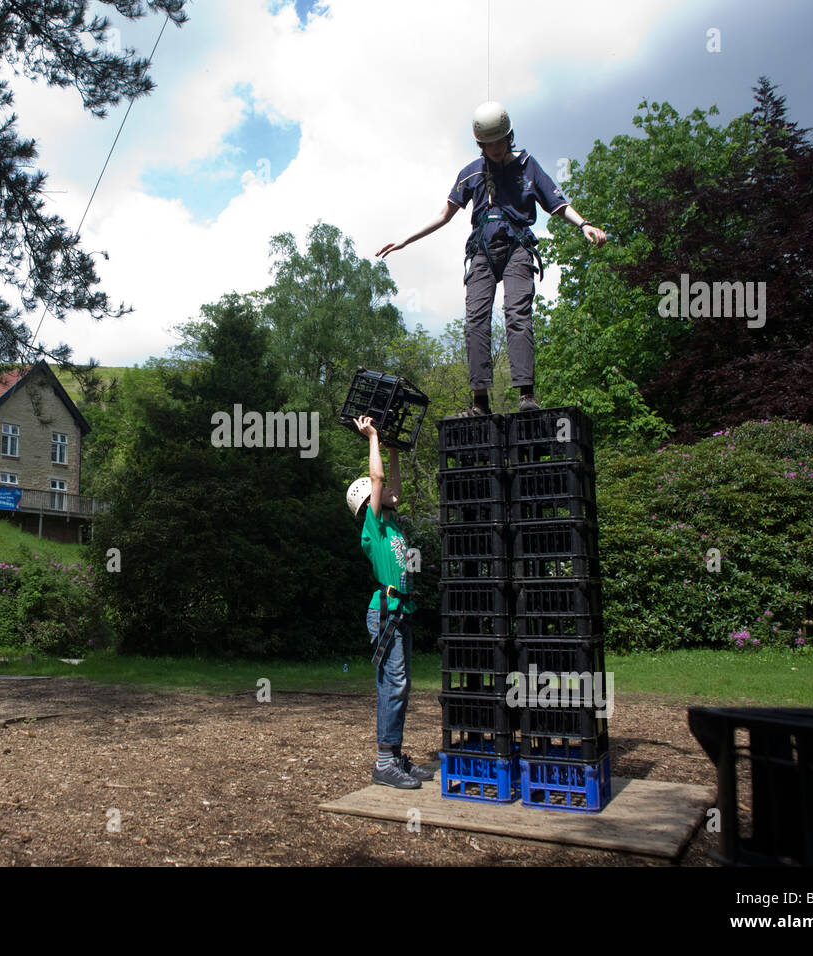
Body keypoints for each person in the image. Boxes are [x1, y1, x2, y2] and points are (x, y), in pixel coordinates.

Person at [378, 101, 608, 415]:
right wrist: (405, 240)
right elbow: (444, 214)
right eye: (488, 144)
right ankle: (480, 403)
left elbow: (557, 203)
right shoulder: (471, 173)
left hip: (517, 247)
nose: (496, 148)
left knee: (517, 315)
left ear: (509, 136)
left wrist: (583, 224)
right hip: (481, 251)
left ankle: (526, 396)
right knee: (475, 321)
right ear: (480, 144)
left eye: (500, 141)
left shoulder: (528, 165)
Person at [348, 415, 431, 790]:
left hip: (401, 611)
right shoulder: (372, 524)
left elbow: (392, 487)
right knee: (393, 684)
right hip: (385, 612)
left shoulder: (391, 522)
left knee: (401, 684)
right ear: (368, 503)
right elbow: (379, 482)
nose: (386, 498)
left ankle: (395, 757)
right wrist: (374, 438)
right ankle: (383, 762)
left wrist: (394, 451)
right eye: (377, 496)